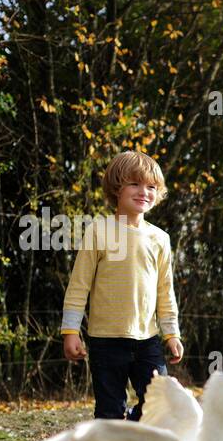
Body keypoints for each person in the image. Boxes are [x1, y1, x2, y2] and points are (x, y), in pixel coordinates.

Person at [60, 150, 184, 420]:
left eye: (151, 187)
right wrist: (70, 331)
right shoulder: (98, 231)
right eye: (134, 184)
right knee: (109, 412)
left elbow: (165, 291)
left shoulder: (160, 239)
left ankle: (136, 436)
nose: (144, 192)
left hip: (148, 340)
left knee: (159, 403)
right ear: (117, 188)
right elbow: (79, 285)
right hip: (105, 341)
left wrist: (171, 334)